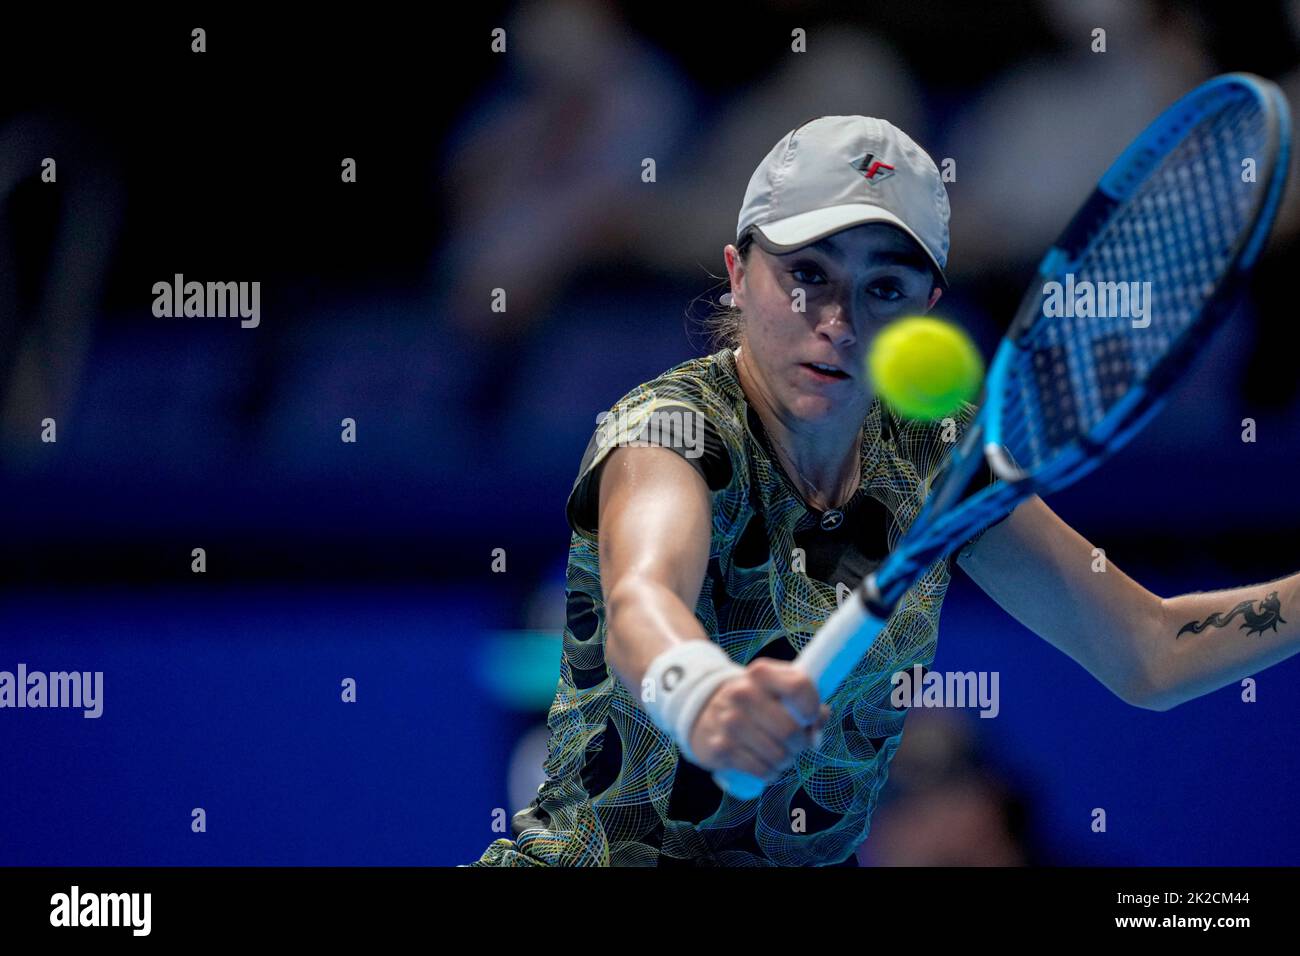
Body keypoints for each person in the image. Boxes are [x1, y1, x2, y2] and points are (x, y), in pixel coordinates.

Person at [469, 115, 1300, 867]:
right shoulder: (674, 430)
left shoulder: (936, 450)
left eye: (886, 287)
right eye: (807, 274)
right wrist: (704, 692)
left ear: (925, 310)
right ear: (736, 271)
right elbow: (642, 601)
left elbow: (1148, 652)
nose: (839, 319)